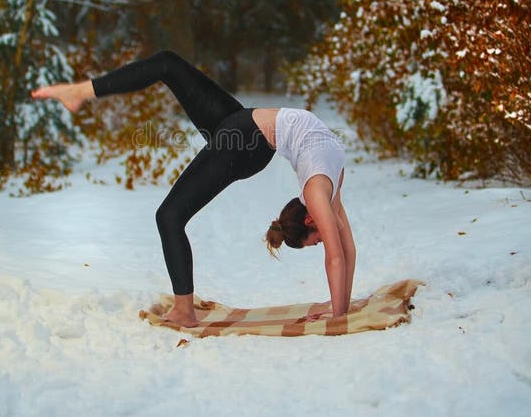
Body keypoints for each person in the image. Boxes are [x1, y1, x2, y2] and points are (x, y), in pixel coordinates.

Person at [31, 50, 356, 327]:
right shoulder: (319, 196)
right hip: (244, 131)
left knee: (169, 217)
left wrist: (338, 309)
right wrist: (339, 312)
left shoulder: (325, 189)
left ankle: (184, 310)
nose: (323, 237)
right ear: (310, 220)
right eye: (317, 240)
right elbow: (339, 255)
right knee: (167, 63)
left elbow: (342, 250)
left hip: (244, 140)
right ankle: (79, 91)